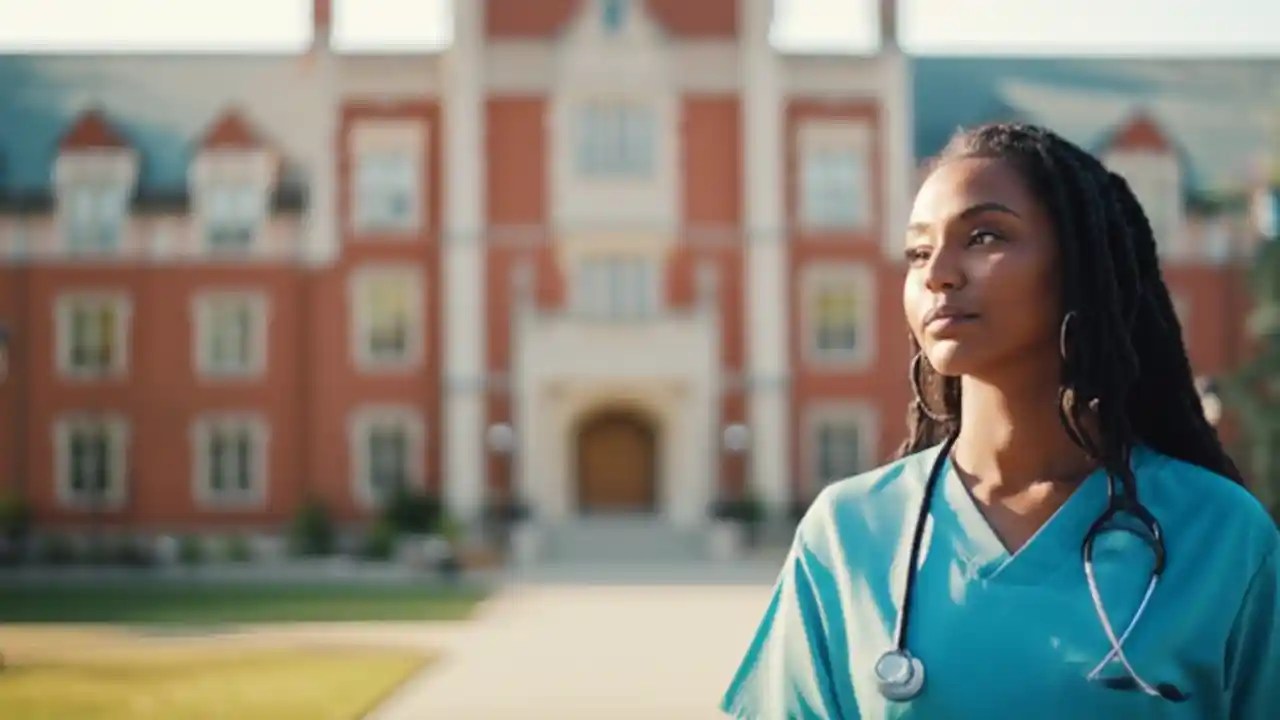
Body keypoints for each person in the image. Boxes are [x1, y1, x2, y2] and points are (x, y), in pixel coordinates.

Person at [719, 123, 1279, 719]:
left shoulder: (1220, 534)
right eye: (917, 251)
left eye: (984, 236)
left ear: (1082, 266)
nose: (938, 273)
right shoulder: (847, 533)